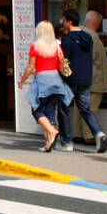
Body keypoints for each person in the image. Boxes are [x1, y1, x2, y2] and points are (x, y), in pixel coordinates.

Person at [17, 20, 73, 152]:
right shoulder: (57, 47)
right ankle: (49, 143)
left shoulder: (35, 46)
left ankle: (51, 131)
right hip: (56, 82)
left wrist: (22, 81)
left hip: (42, 81)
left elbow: (30, 67)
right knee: (50, 111)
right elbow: (60, 65)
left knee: (36, 110)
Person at [58, 9, 107, 153]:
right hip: (85, 79)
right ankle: (99, 132)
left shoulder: (67, 39)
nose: (63, 23)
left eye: (64, 20)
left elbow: (64, 60)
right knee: (86, 110)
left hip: (70, 79)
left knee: (64, 109)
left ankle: (67, 142)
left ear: (69, 21)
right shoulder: (88, 37)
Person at [74, 10, 107, 143]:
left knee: (78, 108)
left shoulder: (79, 33)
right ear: (97, 24)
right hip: (94, 79)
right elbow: (94, 58)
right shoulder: (92, 36)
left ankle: (77, 133)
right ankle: (88, 135)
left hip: (81, 79)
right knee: (90, 108)